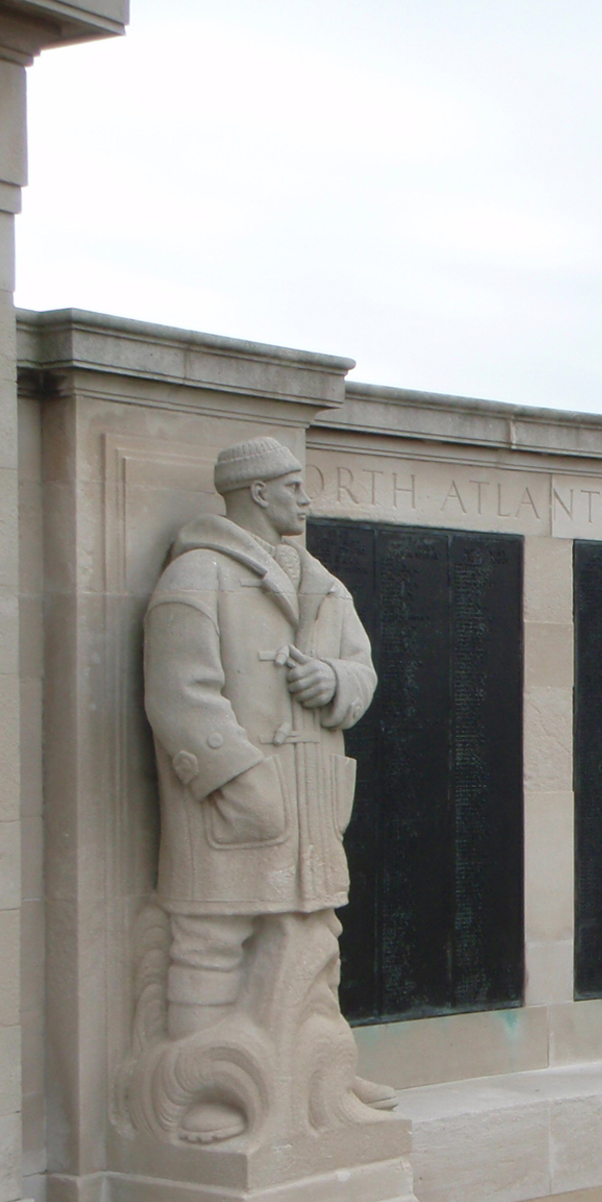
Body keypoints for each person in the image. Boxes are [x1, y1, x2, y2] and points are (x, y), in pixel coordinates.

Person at [142, 437, 392, 1142]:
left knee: (314, 926)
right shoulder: (194, 578)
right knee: (210, 938)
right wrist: (241, 779)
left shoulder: (323, 584)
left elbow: (362, 669)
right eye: (292, 486)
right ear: (256, 493)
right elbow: (179, 695)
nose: (304, 500)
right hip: (232, 805)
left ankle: (321, 1071)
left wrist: (334, 681)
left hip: (311, 800)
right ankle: (207, 1092)